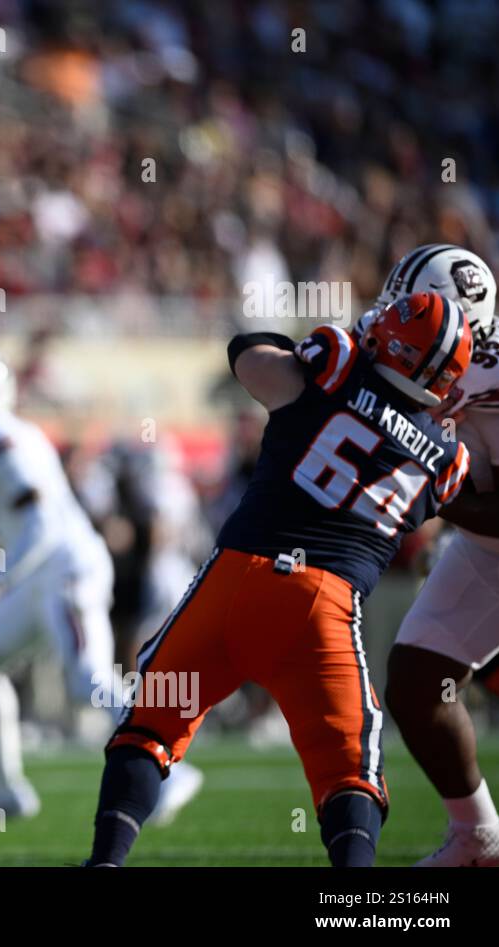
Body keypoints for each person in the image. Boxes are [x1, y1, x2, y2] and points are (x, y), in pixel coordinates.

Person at [87, 292, 474, 867]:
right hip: (323, 605)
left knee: (150, 724)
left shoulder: (336, 363)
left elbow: (247, 355)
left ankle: (107, 862)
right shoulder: (448, 463)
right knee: (349, 771)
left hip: (235, 577)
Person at [0, 343, 205, 823]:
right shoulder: (6, 436)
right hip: (41, 572)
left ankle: (168, 767)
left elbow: (40, 527)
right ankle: (7, 788)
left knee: (90, 680)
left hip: (64, 569)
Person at [369, 245, 499, 866]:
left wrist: (432, 492)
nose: (395, 323)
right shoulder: (432, 360)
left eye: (416, 311)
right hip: (483, 547)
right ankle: (478, 837)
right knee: (419, 682)